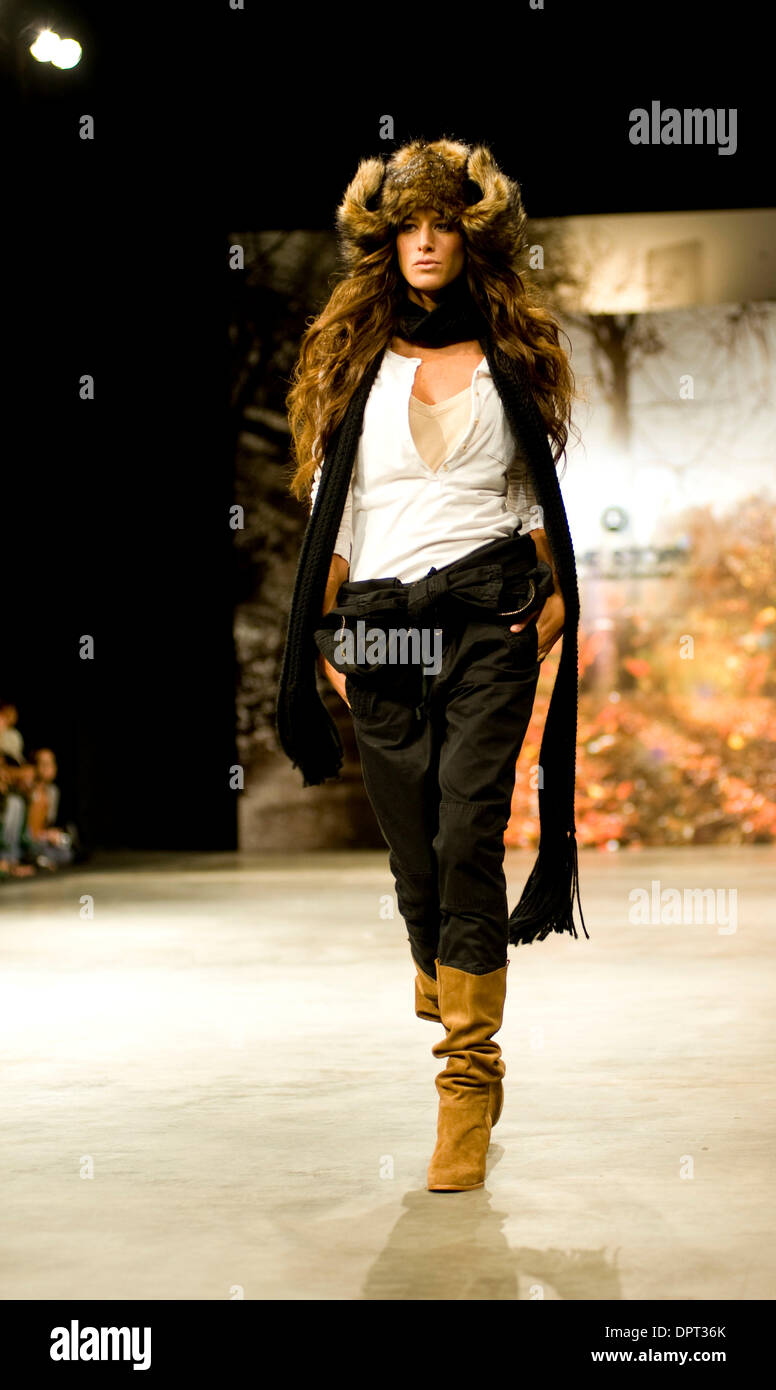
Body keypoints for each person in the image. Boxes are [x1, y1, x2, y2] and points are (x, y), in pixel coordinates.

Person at [276, 138, 588, 1192]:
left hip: (485, 615)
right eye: (407, 224)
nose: (424, 240)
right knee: (412, 841)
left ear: (472, 235)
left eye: (443, 222)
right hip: (377, 625)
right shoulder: (349, 367)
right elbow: (334, 516)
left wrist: (543, 604)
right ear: (382, 237)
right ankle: (444, 968)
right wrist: (326, 638)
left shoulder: (512, 357)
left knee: (467, 828)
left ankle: (465, 1078)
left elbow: (534, 503)